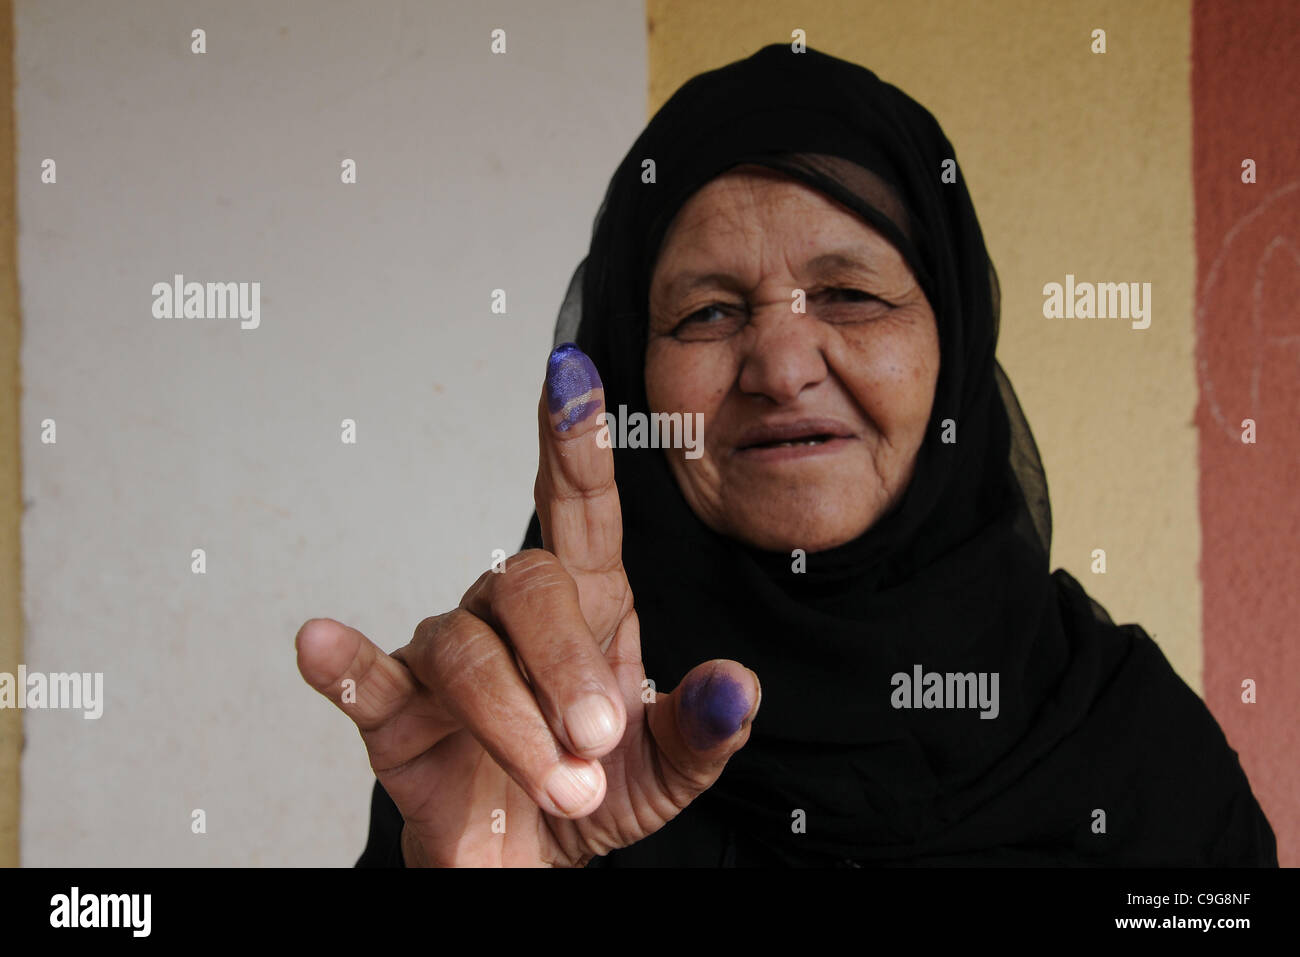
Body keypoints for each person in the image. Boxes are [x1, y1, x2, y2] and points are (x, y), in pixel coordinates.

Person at [295, 44, 1277, 867]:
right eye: (708, 311)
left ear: (956, 346)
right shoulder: (525, 745)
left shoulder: (1138, 757)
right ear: (632, 379)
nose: (779, 364)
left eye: (850, 294)